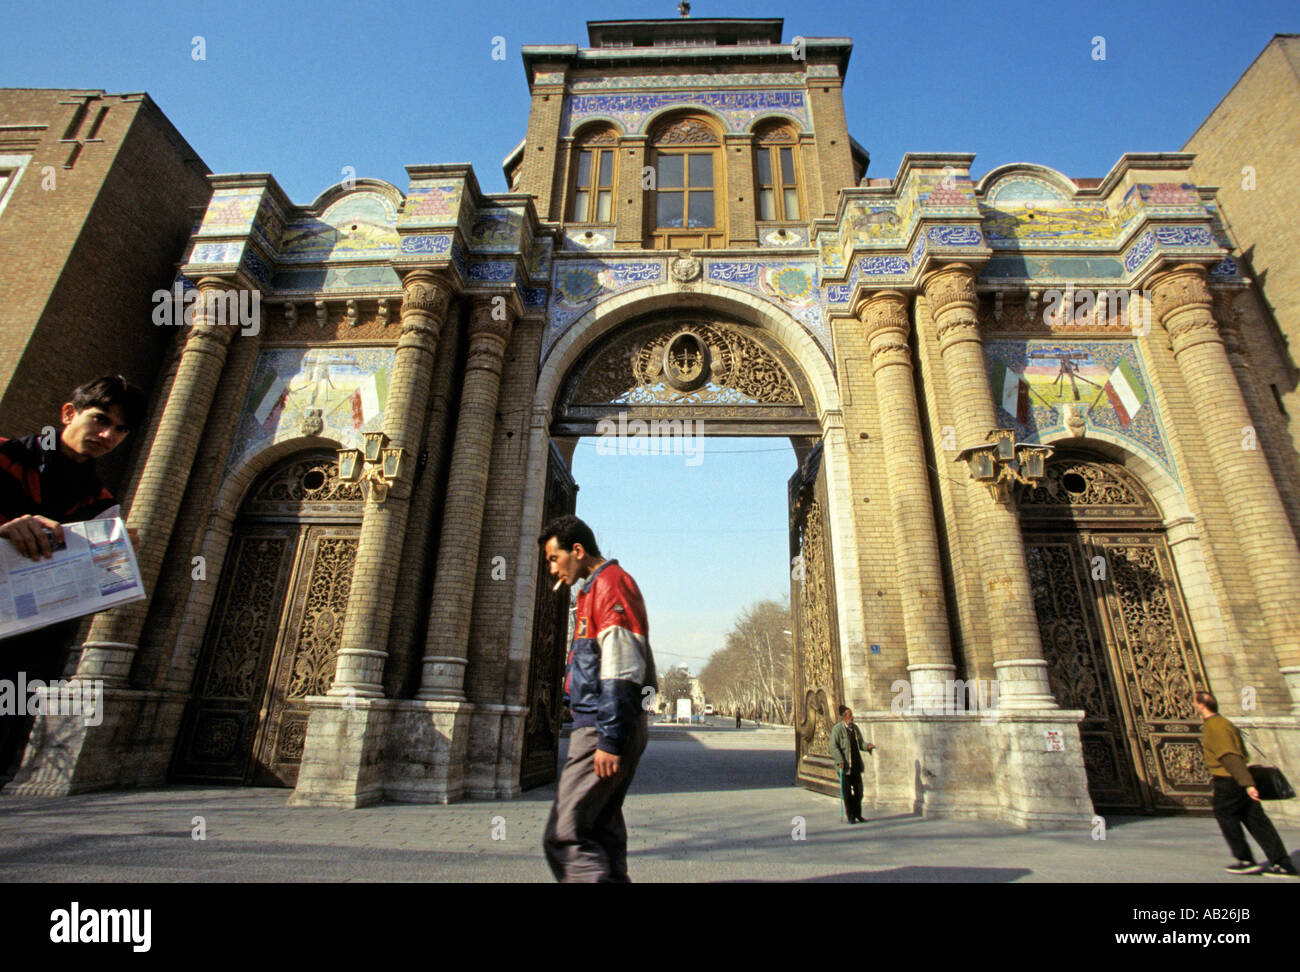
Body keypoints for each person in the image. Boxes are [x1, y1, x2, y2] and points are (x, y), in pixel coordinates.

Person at [0, 375, 146, 781]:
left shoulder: (100, 505)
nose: (106, 435)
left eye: (119, 430)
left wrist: (115, 563)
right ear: (69, 413)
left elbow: (95, 595)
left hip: (26, 652)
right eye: (99, 420)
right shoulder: (5, 458)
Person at [540, 514, 657, 882]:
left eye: (553, 559)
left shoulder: (611, 585)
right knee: (601, 829)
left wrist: (608, 738)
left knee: (566, 832)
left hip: (600, 729)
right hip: (608, 724)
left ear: (577, 550)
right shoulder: (593, 589)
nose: (552, 570)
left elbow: (622, 668)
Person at [1195, 691, 1297, 878]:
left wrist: (1248, 784)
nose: (1195, 706)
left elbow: (1230, 757)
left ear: (1201, 705)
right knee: (1257, 821)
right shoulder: (1224, 723)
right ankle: (1282, 863)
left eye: (1195, 703)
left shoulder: (1215, 727)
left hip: (1229, 781)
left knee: (1225, 814)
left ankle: (1245, 860)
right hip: (1239, 778)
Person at [830, 705, 875, 824]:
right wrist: (839, 760)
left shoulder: (854, 728)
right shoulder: (837, 729)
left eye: (852, 715)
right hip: (844, 767)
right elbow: (833, 747)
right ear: (844, 717)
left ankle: (858, 814)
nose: (852, 718)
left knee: (859, 791)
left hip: (855, 765)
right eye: (850, 715)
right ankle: (850, 816)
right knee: (847, 793)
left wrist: (867, 746)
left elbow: (860, 743)